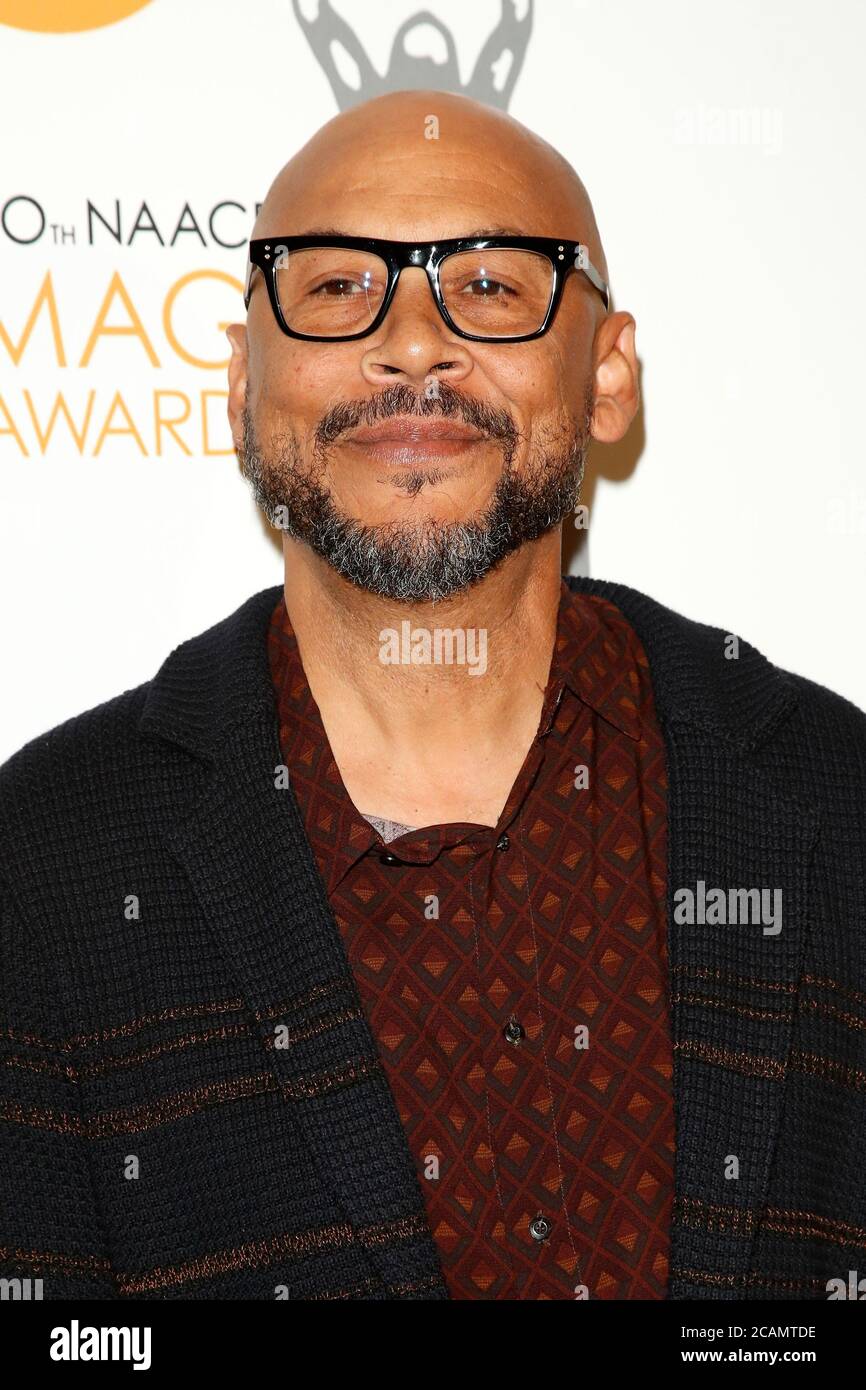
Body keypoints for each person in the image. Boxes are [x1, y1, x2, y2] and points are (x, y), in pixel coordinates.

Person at [1, 90, 863, 1302]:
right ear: (243, 380)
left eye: (494, 286)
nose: (411, 342)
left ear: (607, 376)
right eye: (339, 287)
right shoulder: (42, 863)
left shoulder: (834, 800)